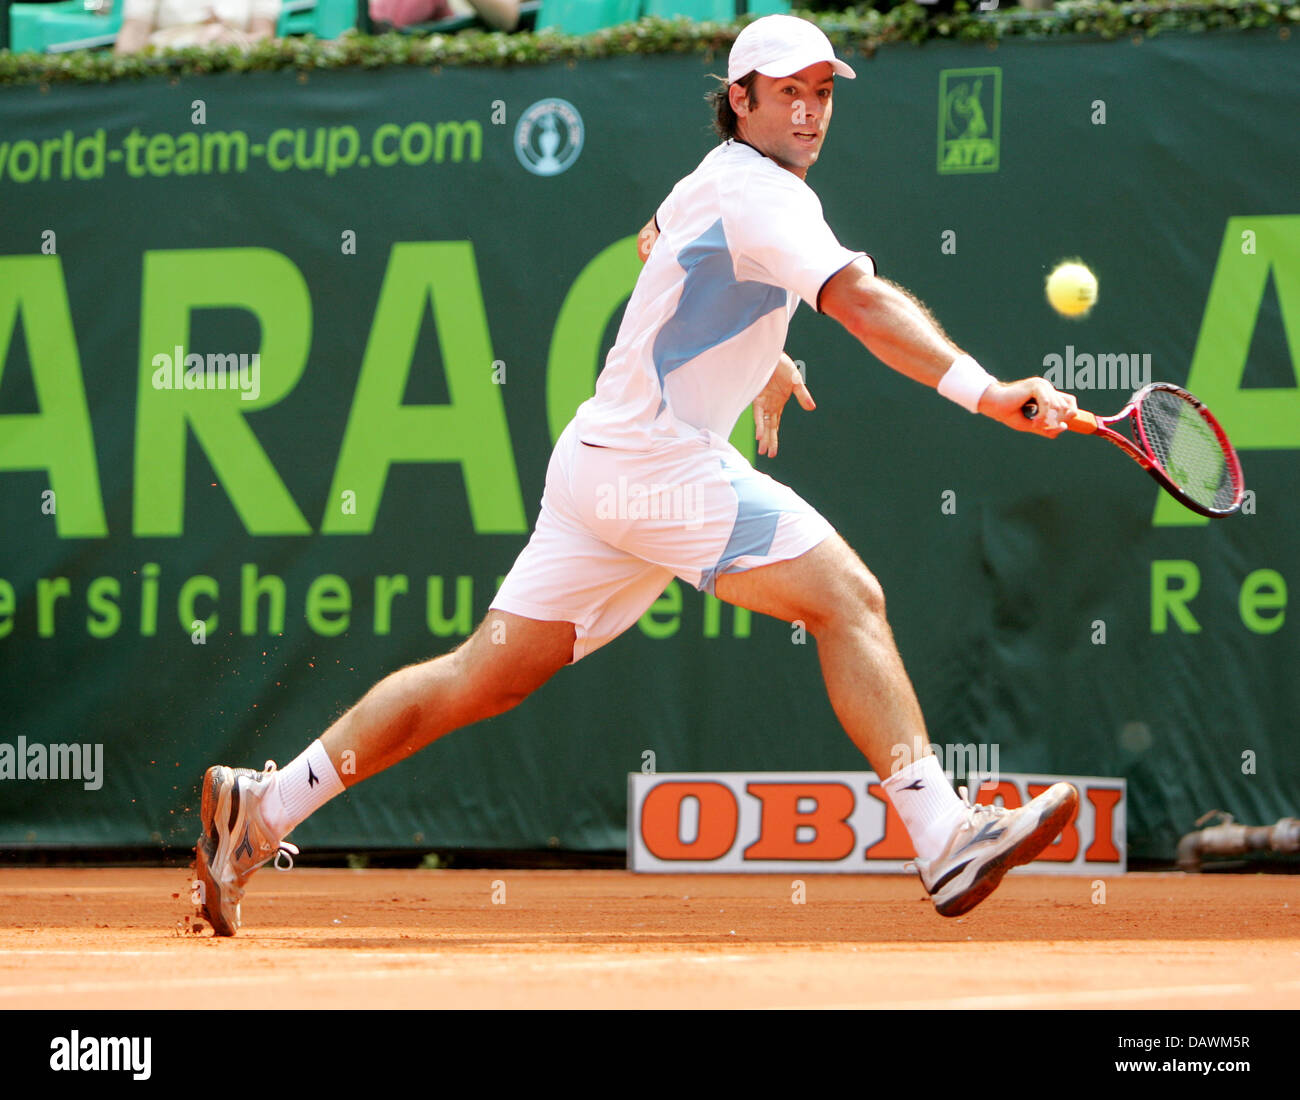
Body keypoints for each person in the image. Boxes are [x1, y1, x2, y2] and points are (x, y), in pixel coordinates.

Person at [194, 14, 1081, 935]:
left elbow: (653, 243)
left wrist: (761, 347)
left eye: (822, 94)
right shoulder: (767, 197)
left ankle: (258, 810)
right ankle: (943, 836)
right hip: (657, 465)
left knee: (477, 679)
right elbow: (858, 303)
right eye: (789, 94)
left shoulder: (713, 181)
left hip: (597, 471)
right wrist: (987, 392)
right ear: (740, 102)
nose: (812, 114)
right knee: (847, 598)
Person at [114, 0, 280, 52]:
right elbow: (133, 33)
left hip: (235, 61)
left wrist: (226, 38)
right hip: (166, 61)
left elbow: (264, 36)